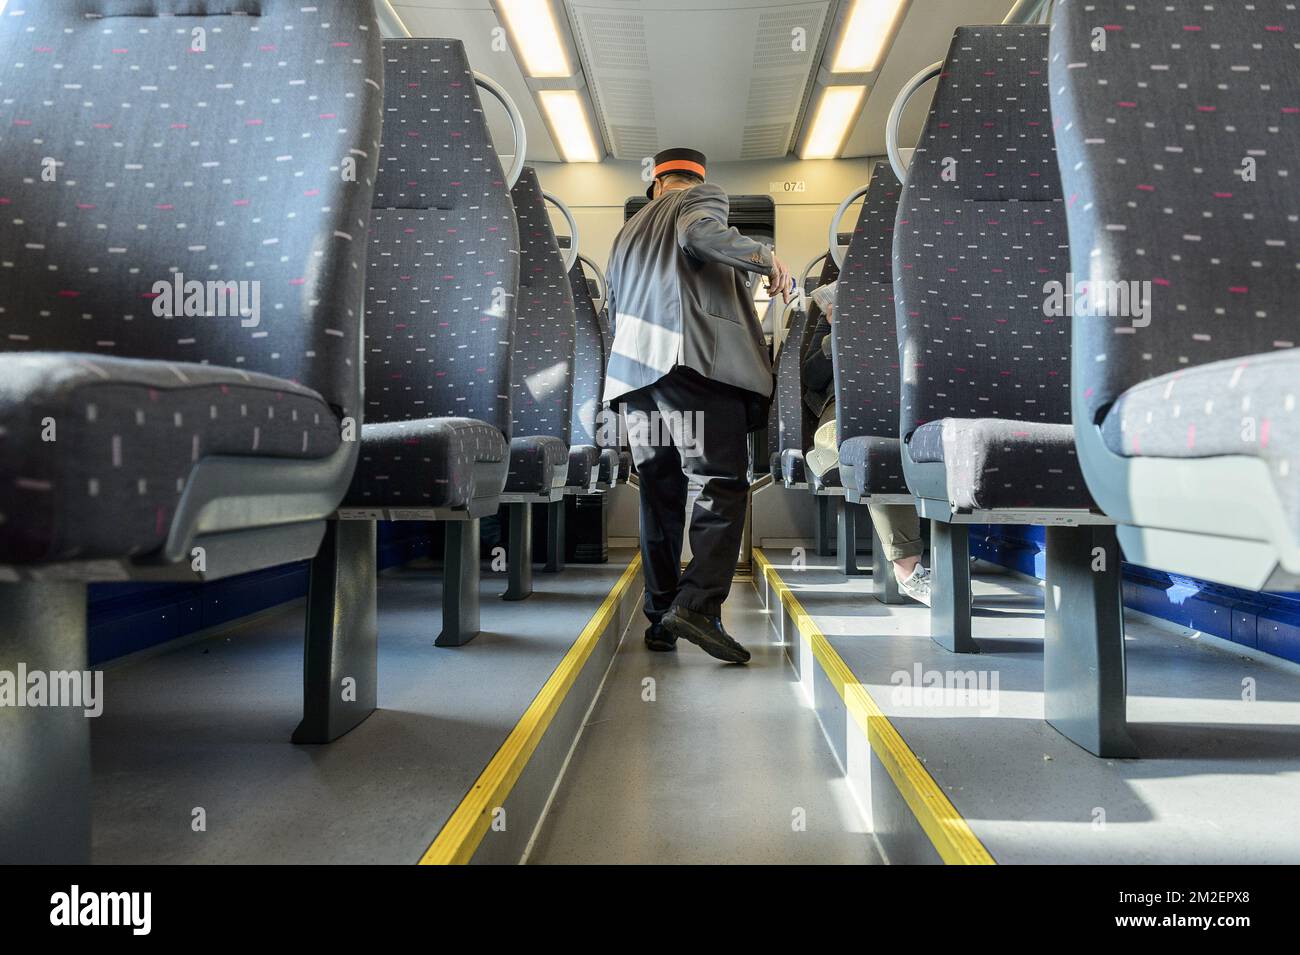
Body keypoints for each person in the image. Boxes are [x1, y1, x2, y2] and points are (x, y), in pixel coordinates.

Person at [603, 147, 793, 664]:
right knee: (720, 483)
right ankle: (699, 605)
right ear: (691, 181)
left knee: (658, 496)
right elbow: (698, 235)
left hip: (635, 381)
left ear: (653, 185)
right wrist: (764, 256)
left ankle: (662, 617)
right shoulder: (701, 197)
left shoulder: (625, 234)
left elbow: (614, 307)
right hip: (691, 365)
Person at [799, 281, 932, 604]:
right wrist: (837, 333)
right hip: (845, 410)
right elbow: (811, 376)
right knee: (877, 440)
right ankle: (908, 567)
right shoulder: (836, 299)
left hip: (912, 396)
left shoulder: (922, 285)